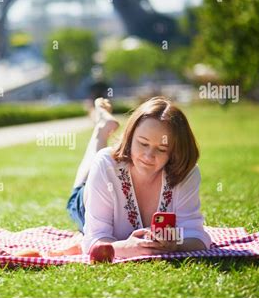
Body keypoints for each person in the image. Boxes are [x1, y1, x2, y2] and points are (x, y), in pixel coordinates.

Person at [59, 96, 211, 258]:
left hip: (108, 168)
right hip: (85, 200)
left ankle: (104, 128)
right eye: (143, 143)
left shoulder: (186, 172)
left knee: (102, 161)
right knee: (91, 171)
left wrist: (176, 245)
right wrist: (125, 247)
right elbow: (94, 239)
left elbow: (196, 235)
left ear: (176, 152)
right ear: (130, 137)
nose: (148, 156)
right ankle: (102, 130)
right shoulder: (106, 164)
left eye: (161, 149)